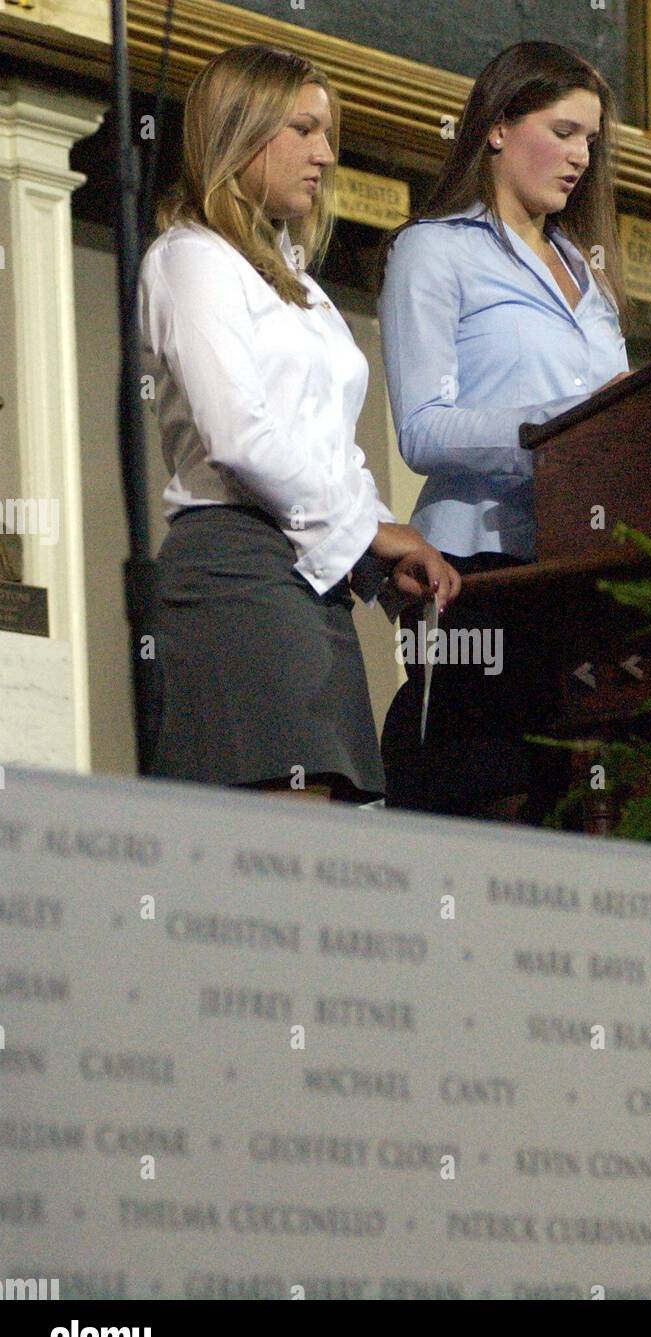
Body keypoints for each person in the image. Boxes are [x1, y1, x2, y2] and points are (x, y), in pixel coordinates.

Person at [139, 44, 460, 804]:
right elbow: (240, 436)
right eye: (304, 129)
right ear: (239, 132)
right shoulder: (191, 259)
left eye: (328, 134)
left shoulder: (302, 291)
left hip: (309, 583)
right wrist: (376, 534)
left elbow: (329, 451)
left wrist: (378, 554)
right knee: (283, 839)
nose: (325, 154)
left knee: (322, 836)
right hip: (236, 570)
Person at [377, 41, 630, 820]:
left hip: (581, 566)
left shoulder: (587, 275)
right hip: (480, 572)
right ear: (494, 126)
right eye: (562, 131)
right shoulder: (433, 251)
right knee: (492, 798)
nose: (581, 156)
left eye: (590, 139)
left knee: (579, 810)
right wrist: (561, 432)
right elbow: (421, 430)